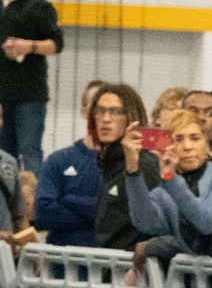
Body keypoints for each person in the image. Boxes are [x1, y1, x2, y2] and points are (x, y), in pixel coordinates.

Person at [124, 107, 212, 270]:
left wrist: (170, 179)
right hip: (195, 286)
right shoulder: (168, 186)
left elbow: (208, 221)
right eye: (178, 139)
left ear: (207, 147)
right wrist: (132, 169)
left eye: (195, 138)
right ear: (166, 146)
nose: (187, 146)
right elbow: (146, 223)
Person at [34, 84, 139, 249]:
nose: (105, 118)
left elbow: (125, 218)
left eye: (113, 111)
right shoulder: (58, 160)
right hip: (61, 266)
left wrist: (69, 200)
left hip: (110, 265)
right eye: (99, 110)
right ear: (86, 112)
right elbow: (43, 215)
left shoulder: (132, 162)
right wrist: (101, 210)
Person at [0, 0, 62, 176]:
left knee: (29, 152)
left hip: (30, 97)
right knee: (3, 154)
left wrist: (29, 46)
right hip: (1, 97)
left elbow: (57, 45)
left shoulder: (40, 6)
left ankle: (33, 206)